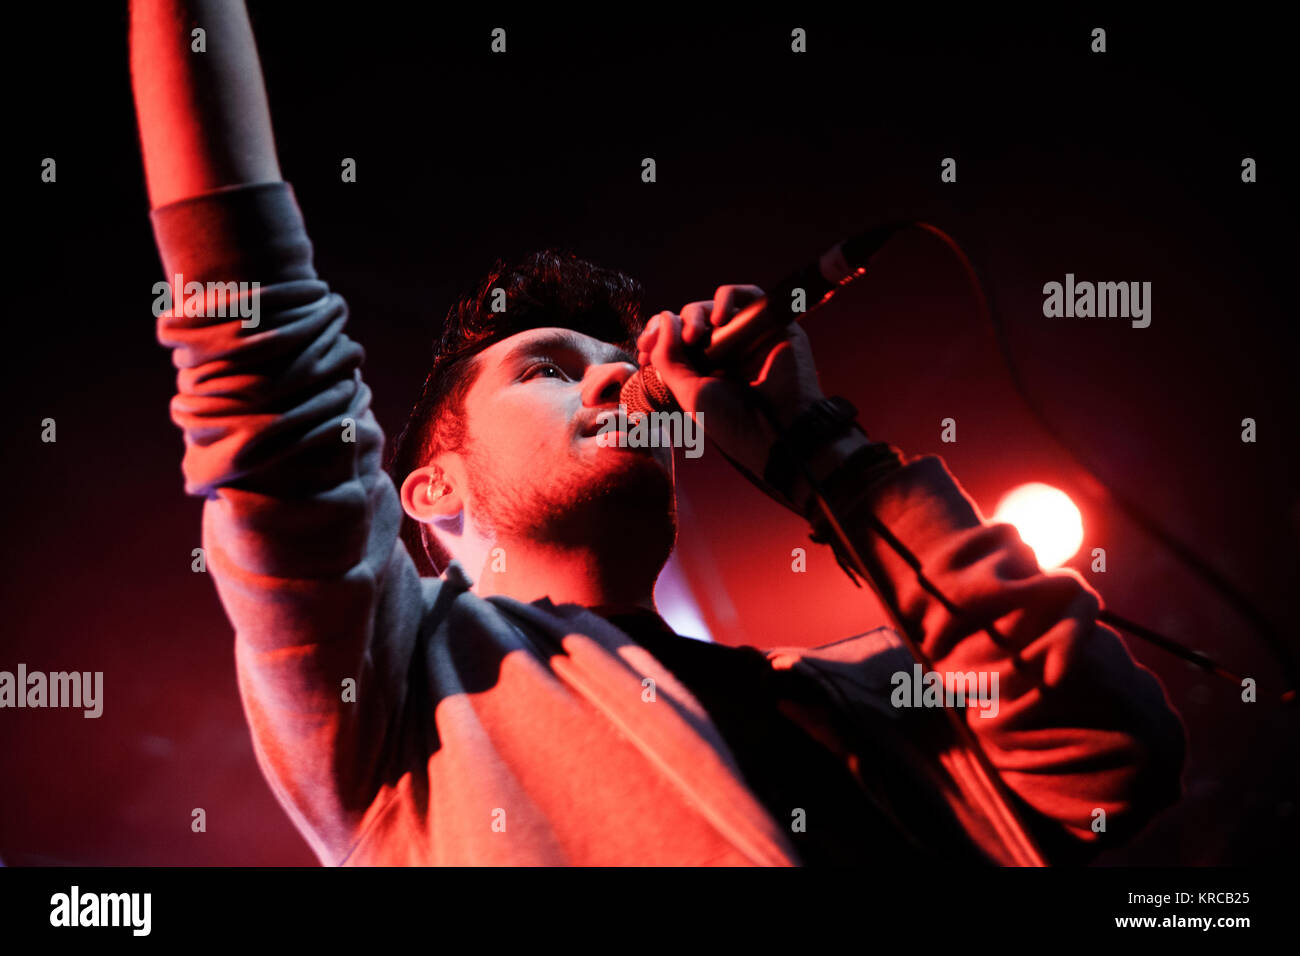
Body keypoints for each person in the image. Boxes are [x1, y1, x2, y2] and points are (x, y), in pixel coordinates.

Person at [131, 0, 1186, 865]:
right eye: (548, 371)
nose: (614, 383)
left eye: (615, 363)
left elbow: (1110, 757)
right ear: (432, 490)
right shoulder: (405, 684)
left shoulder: (862, 688)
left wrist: (820, 451)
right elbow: (258, 347)